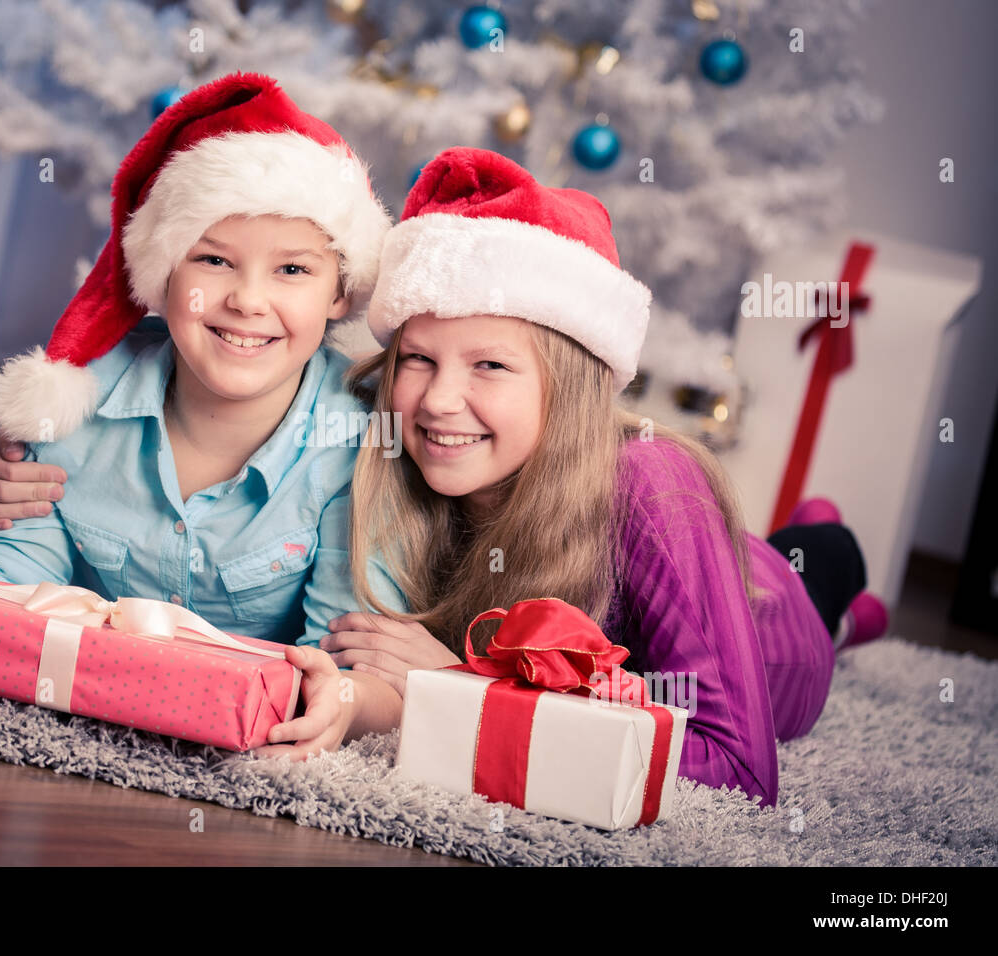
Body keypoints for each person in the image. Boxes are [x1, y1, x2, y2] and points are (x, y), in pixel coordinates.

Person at [326, 147, 881, 808]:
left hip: (778, 626)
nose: (440, 400)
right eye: (418, 358)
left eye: (490, 367)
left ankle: (836, 581)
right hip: (719, 568)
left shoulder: (653, 487)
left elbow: (737, 767)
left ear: (568, 386)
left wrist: (457, 689)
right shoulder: (386, 441)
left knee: (821, 567)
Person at [0, 72, 406, 760]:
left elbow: (353, 656)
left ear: (340, 292)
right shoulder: (78, 396)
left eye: (292, 271)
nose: (247, 300)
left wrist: (339, 698)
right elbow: (18, 549)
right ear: (162, 278)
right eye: (213, 260)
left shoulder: (361, 443)